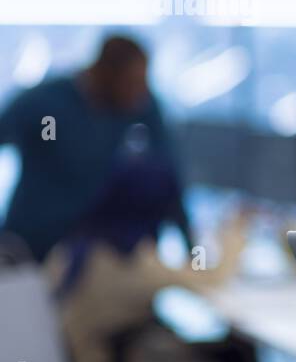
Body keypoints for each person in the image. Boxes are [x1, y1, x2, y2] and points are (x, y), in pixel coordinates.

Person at [45, 150, 243, 362]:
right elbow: (209, 279)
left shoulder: (72, 249)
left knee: (219, 356)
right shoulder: (128, 262)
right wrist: (236, 233)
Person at [0, 35, 189, 262]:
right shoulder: (45, 104)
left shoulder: (140, 104)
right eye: (131, 84)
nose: (140, 93)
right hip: (32, 246)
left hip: (92, 256)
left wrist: (192, 250)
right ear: (103, 73)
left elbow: (169, 178)